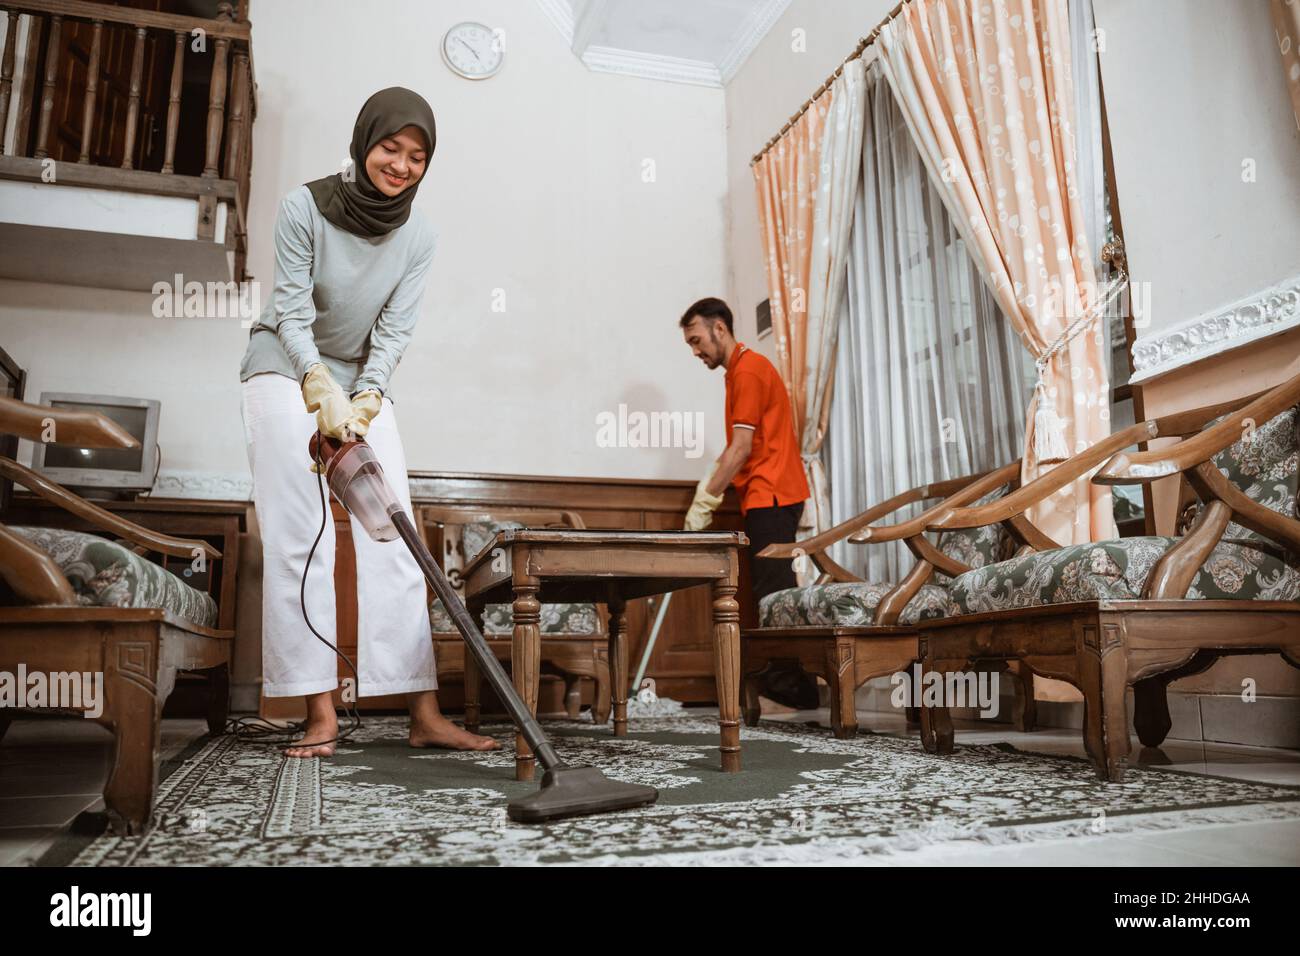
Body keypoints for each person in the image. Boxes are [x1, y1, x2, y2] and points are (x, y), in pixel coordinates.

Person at [238, 87, 499, 758]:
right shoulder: (304, 207)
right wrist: (314, 384)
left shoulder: (420, 235)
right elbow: (292, 312)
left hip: (358, 378)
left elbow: (394, 329)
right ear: (364, 144)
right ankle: (320, 713)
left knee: (394, 532)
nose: (402, 165)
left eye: (417, 156)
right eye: (391, 148)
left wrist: (369, 395)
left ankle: (423, 711)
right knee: (303, 536)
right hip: (281, 365)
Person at [679, 297, 816, 709]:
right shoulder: (738, 371)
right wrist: (711, 483)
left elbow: (740, 449)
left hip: (772, 494)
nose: (696, 351)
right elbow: (736, 449)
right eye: (690, 344)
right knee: (768, 590)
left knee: (774, 592)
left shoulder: (750, 370)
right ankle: (793, 687)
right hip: (764, 495)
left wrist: (706, 499)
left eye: (697, 340)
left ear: (719, 328)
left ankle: (795, 689)